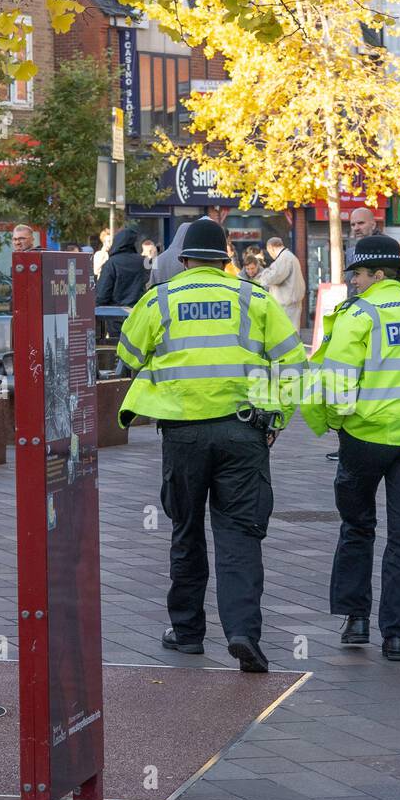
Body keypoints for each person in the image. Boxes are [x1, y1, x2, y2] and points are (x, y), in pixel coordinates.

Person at [116, 217, 308, 673]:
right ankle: (243, 633)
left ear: (183, 260)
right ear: (224, 259)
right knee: (239, 535)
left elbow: (126, 357)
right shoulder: (254, 298)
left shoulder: (159, 299)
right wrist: (275, 419)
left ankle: (187, 634)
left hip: (183, 434)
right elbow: (294, 365)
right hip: (244, 432)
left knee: (186, 531)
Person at [304, 235, 400, 663]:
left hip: (366, 437)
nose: (353, 282)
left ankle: (356, 619)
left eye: (359, 274)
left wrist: (333, 424)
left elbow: (336, 380)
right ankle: (398, 637)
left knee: (357, 526)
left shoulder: (360, 313)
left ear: (379, 274)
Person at [96, 227, 147, 336]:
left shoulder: (111, 263)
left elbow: (101, 295)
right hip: (141, 318)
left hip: (116, 320)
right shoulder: (145, 262)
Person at [259, 236, 306, 332]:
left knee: (285, 333)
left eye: (269, 251)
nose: (270, 254)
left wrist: (264, 273)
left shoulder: (284, 258)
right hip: (291, 302)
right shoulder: (289, 257)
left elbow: (273, 278)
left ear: (271, 248)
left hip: (286, 303)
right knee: (292, 332)